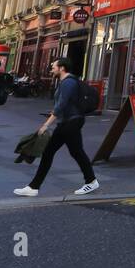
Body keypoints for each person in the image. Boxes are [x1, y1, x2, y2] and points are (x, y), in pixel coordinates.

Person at [12, 58, 98, 197]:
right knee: (58, 152)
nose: (51, 69)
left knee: (73, 152)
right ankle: (34, 187)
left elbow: (61, 105)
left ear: (62, 68)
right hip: (68, 122)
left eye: (53, 67)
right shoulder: (66, 82)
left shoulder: (68, 82)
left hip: (71, 121)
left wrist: (46, 125)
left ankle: (91, 181)